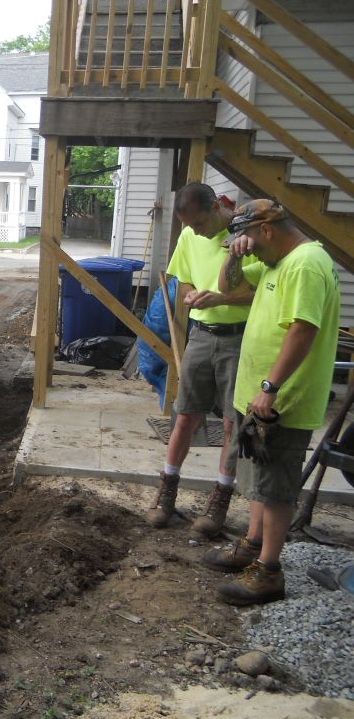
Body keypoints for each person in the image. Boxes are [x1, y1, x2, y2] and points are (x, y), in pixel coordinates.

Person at [202, 199, 339, 605]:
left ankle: (268, 572)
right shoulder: (278, 261)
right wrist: (235, 256)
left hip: (284, 399)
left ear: (267, 230)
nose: (251, 249)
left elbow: (302, 330)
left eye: (251, 241)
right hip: (260, 397)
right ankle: (252, 544)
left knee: (277, 486)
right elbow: (229, 288)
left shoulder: (305, 264)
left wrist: (270, 386)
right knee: (261, 478)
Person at [146, 184, 254, 537]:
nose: (195, 231)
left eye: (199, 223)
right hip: (201, 336)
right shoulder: (189, 237)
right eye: (188, 226)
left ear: (214, 207)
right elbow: (187, 281)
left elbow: (265, 292)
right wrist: (192, 295)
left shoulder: (245, 237)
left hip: (240, 338)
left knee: (229, 424)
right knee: (185, 416)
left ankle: (219, 501)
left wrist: (222, 298)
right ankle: (166, 492)